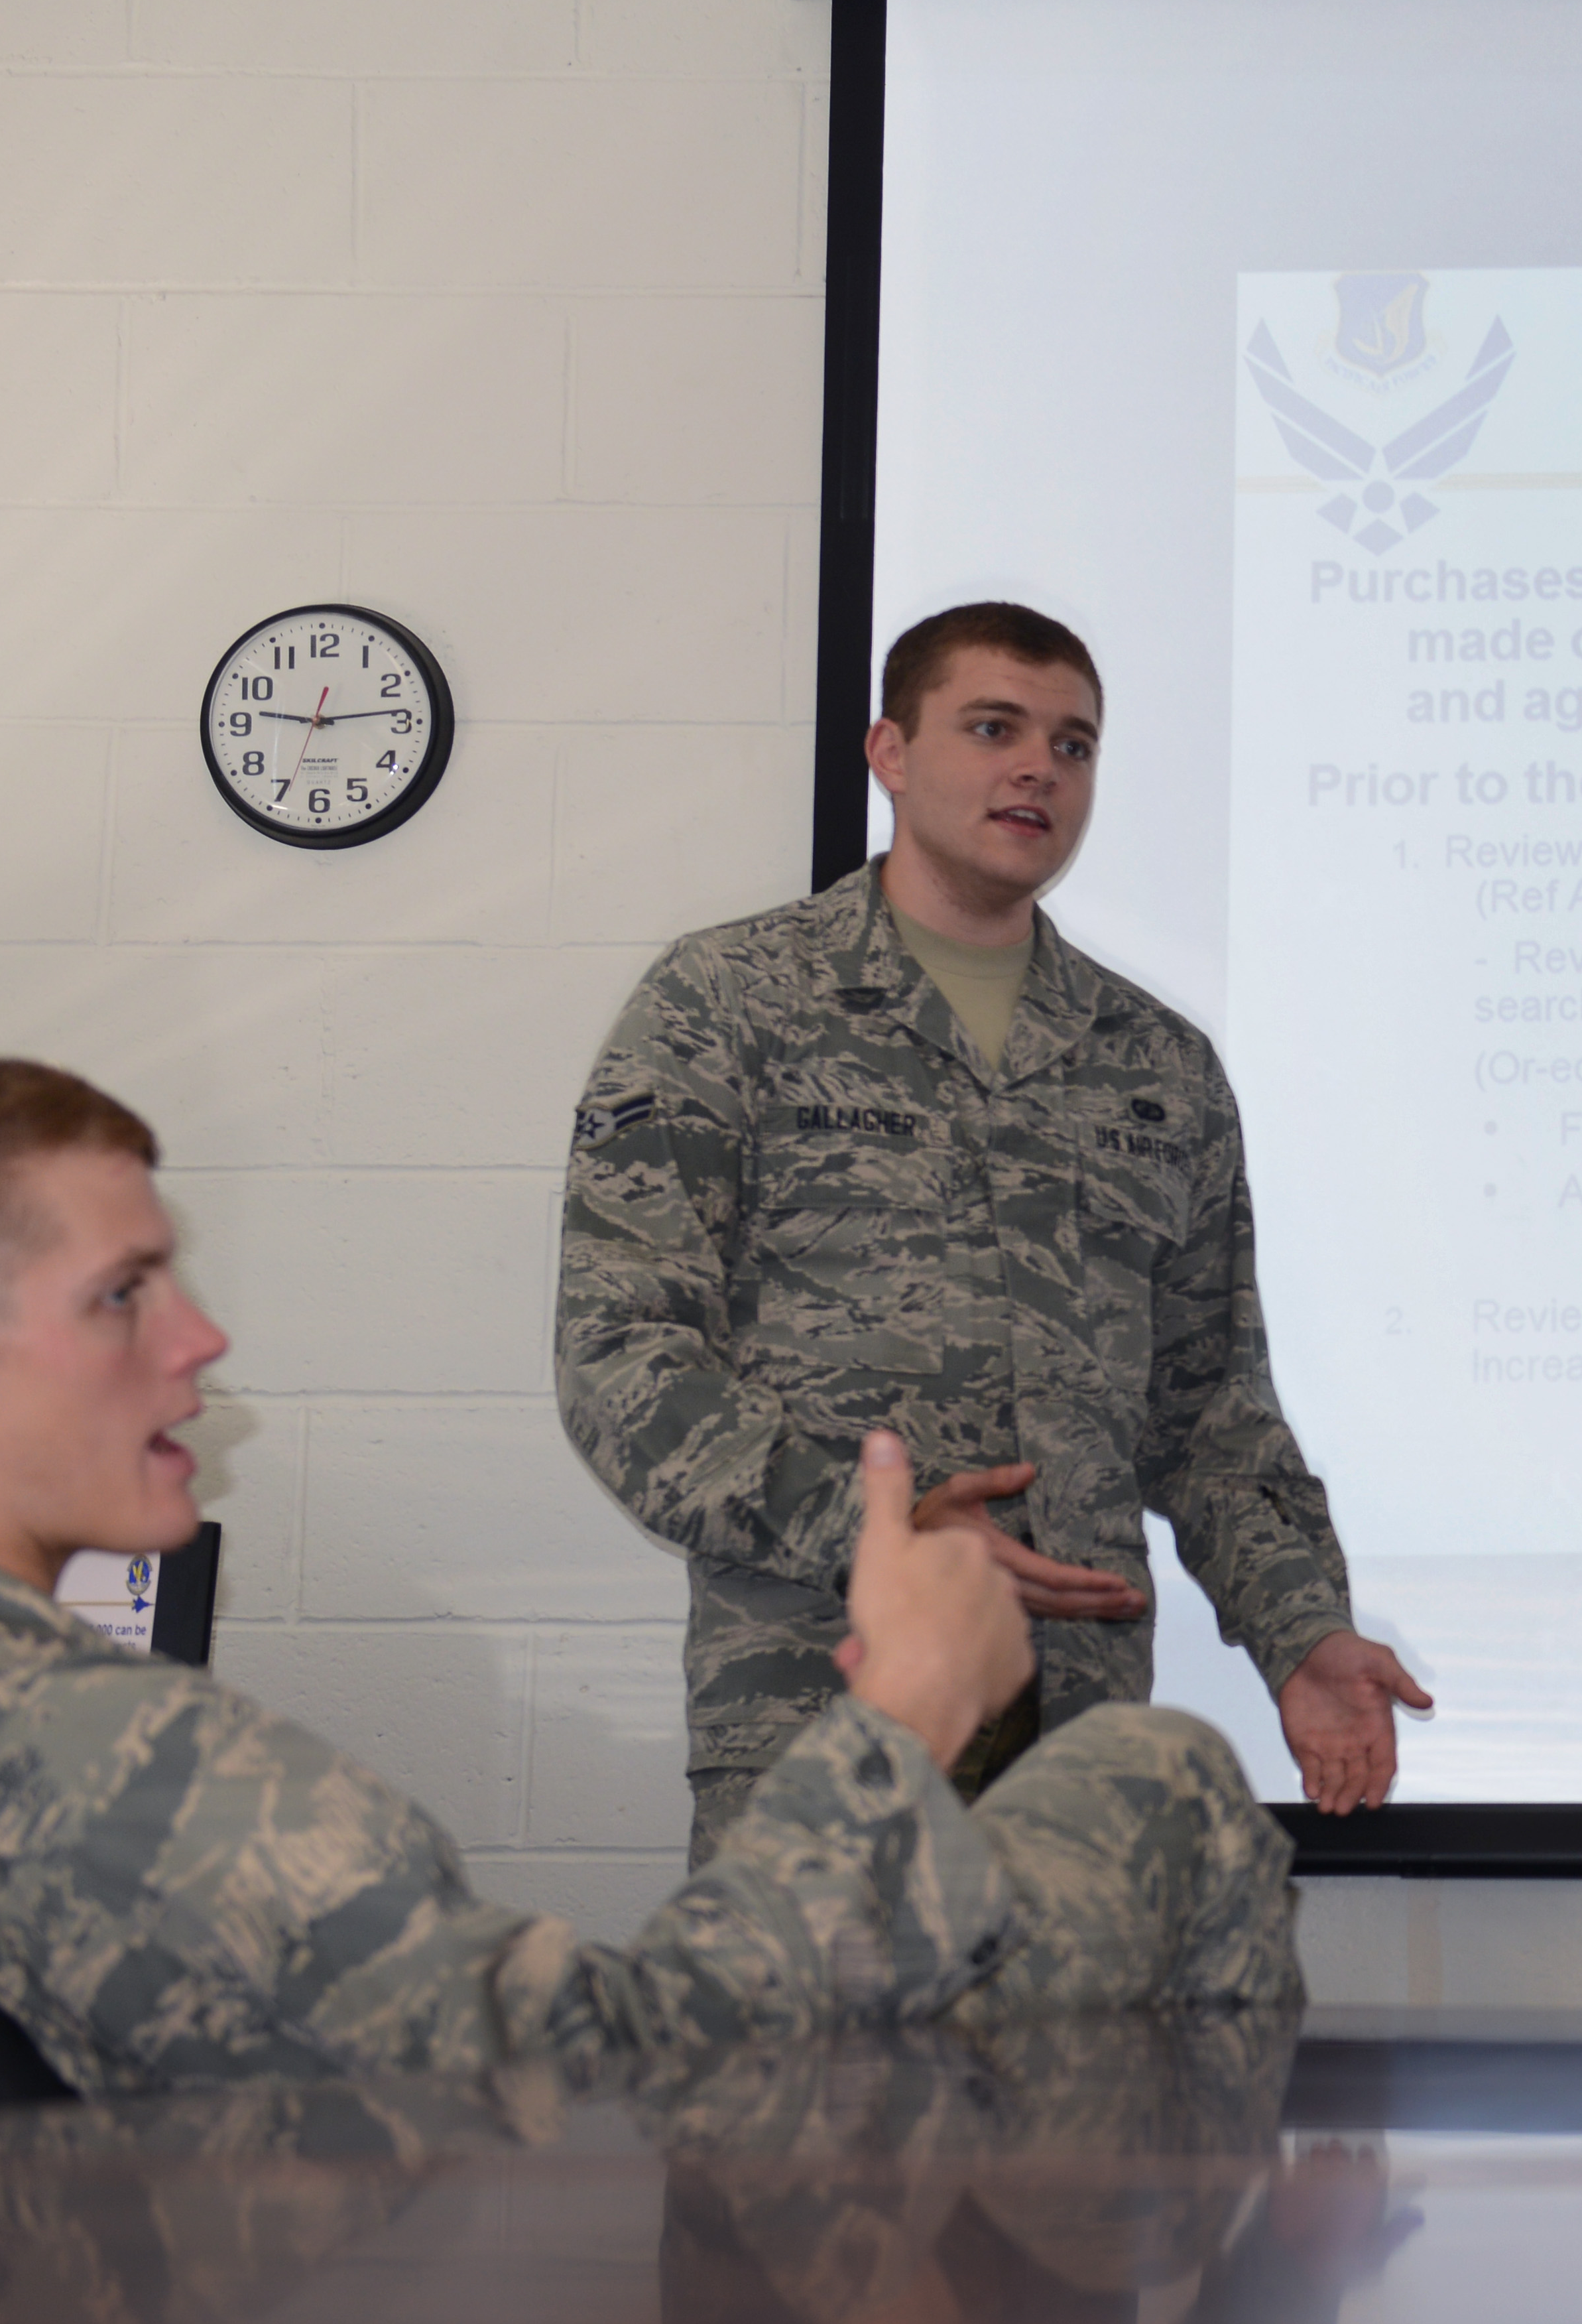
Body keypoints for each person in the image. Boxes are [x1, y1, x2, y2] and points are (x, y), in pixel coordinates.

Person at [0, 1051, 1298, 2097]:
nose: (200, 1337)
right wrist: (906, 1715)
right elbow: (607, 2084)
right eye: (123, 1293)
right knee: (1158, 1769)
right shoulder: (130, 1766)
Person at [558, 600, 1426, 1864]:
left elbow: (1209, 1414)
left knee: (1078, 2068)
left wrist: (1302, 1630)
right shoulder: (729, 1004)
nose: (1040, 767)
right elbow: (619, 1356)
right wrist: (884, 1536)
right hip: (824, 1712)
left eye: (1074, 744)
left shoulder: (1159, 1067)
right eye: (993, 727)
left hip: (1076, 1744)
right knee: (820, 2070)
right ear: (890, 752)